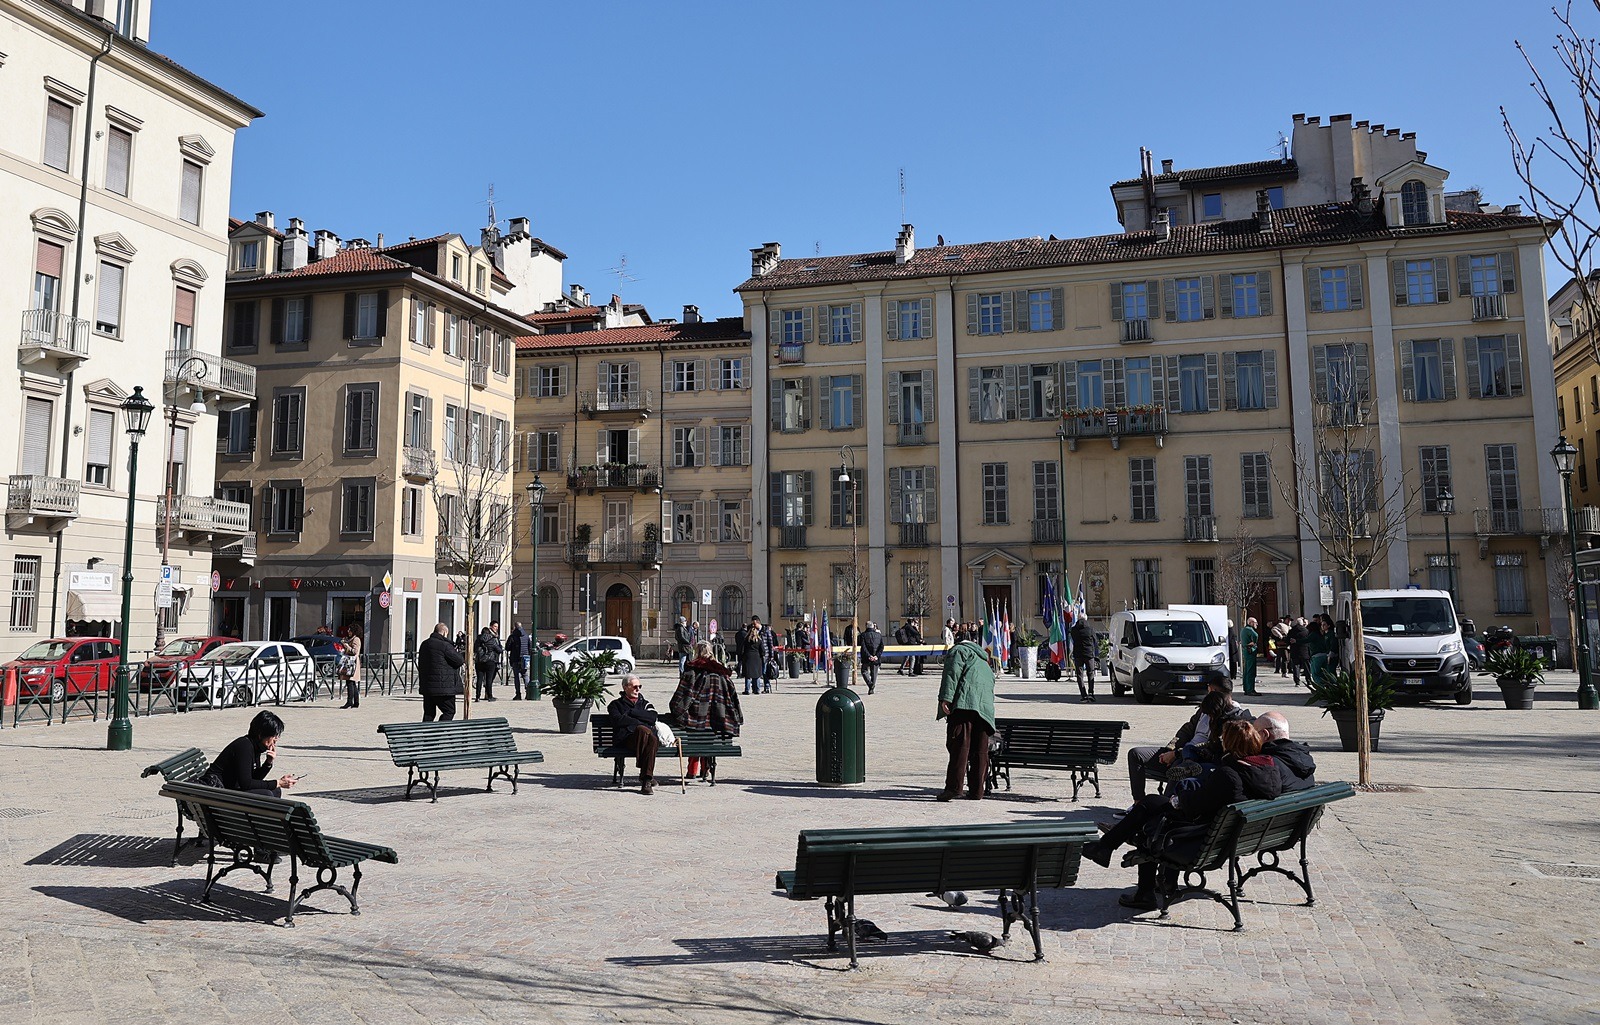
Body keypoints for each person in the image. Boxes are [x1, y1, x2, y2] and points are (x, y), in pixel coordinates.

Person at [1082, 720, 1282, 910]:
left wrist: (1179, 797)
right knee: (1152, 803)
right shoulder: (1268, 770)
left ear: (1231, 744)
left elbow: (1194, 806)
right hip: (1227, 836)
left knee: (1149, 820)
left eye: (1223, 740)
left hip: (1199, 839)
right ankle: (1111, 851)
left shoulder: (1229, 774)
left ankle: (1139, 887)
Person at [1125, 679, 1252, 799]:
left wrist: (1176, 754)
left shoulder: (1233, 718)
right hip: (1182, 752)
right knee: (1136, 754)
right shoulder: (1204, 708)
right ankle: (1138, 803)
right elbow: (1186, 730)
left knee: (1179, 766)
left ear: (1213, 691)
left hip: (1197, 758)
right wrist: (1171, 748)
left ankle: (1165, 805)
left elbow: (1212, 745)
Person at [936, 628, 997, 801]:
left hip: (964, 704)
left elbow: (952, 674)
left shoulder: (958, 651)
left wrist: (945, 698)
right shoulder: (983, 660)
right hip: (985, 710)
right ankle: (977, 790)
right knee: (980, 750)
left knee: (959, 746)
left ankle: (954, 788)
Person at [670, 640, 744, 780]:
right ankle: (706, 770)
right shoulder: (722, 673)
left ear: (696, 652)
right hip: (719, 719)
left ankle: (692, 770)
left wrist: (676, 709)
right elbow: (733, 699)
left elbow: (680, 698)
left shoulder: (692, 670)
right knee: (708, 739)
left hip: (696, 718)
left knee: (695, 738)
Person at [215, 710, 296, 796]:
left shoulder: (256, 747)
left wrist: (268, 763)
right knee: (266, 795)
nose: (276, 739)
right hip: (218, 792)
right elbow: (246, 784)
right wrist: (277, 782)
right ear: (260, 734)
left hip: (229, 789)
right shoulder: (244, 746)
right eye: (273, 735)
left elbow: (254, 779)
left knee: (276, 790)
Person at [607, 674, 659, 794]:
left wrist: (631, 713)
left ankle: (646, 779)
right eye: (635, 686)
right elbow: (617, 720)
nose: (638, 689)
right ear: (625, 687)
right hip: (626, 740)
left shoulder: (645, 703)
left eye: (639, 686)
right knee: (643, 730)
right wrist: (640, 721)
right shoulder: (615, 705)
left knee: (651, 739)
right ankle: (646, 775)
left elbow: (652, 717)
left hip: (646, 740)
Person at [1255, 711, 1317, 792]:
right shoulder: (1304, 756)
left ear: (1265, 734)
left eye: (1254, 733)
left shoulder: (1267, 762)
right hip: (1307, 803)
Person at [418, 622, 465, 722]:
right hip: (444, 687)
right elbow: (459, 660)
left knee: (429, 713)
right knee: (449, 711)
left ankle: (426, 735)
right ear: (444, 633)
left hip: (428, 686)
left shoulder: (424, 644)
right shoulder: (445, 645)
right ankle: (439, 732)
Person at [735, 617, 769, 695]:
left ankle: (747, 689)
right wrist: (762, 655)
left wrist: (742, 656)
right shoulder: (759, 640)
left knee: (748, 675)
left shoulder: (746, 639)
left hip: (748, 657)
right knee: (756, 674)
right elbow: (762, 650)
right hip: (757, 658)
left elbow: (742, 649)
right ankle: (756, 689)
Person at [1070, 613, 1098, 703]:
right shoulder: (1090, 629)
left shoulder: (1073, 630)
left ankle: (1083, 695)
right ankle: (1091, 693)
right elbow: (1095, 641)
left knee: (1079, 675)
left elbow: (1073, 639)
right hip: (1089, 654)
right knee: (1090, 673)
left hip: (1078, 654)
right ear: (1086, 619)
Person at [474, 621, 503, 701]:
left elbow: (474, 649)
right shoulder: (492, 639)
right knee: (489, 679)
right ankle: (489, 696)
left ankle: (477, 696)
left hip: (479, 661)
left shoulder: (478, 639)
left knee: (479, 679)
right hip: (490, 661)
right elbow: (499, 650)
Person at [338, 625, 362, 709]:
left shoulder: (356, 639)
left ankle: (349, 702)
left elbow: (354, 651)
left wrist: (346, 646)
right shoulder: (350, 639)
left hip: (352, 663)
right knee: (352, 682)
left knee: (350, 682)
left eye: (349, 630)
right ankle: (356, 702)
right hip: (349, 662)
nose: (348, 631)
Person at [858, 620, 885, 694]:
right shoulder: (879, 635)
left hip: (866, 657)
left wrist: (869, 656)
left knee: (864, 671)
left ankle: (870, 684)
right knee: (874, 674)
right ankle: (872, 687)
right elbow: (881, 647)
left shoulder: (863, 635)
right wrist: (877, 656)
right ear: (873, 626)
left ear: (866, 626)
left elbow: (863, 647)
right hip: (876, 658)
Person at [506, 621, 531, 700]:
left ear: (515, 627)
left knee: (517, 677)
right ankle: (528, 692)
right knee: (525, 675)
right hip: (525, 658)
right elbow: (529, 646)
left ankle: (518, 694)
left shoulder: (512, 636)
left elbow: (507, 647)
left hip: (515, 658)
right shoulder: (526, 636)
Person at [1287, 617, 1311, 686]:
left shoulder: (1292, 631)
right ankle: (1308, 680)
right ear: (1302, 623)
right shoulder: (1306, 631)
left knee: (1296, 666)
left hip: (1294, 650)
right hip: (1305, 651)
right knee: (1306, 666)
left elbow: (1288, 640)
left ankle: (1297, 681)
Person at [1240, 617, 1259, 695]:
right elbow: (1256, 635)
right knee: (1251, 671)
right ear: (1251, 622)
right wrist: (1254, 642)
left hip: (1245, 651)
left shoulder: (1243, 629)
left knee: (1246, 670)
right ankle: (1250, 689)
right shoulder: (1249, 629)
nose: (1257, 624)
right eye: (1255, 622)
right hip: (1250, 651)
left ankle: (1246, 688)